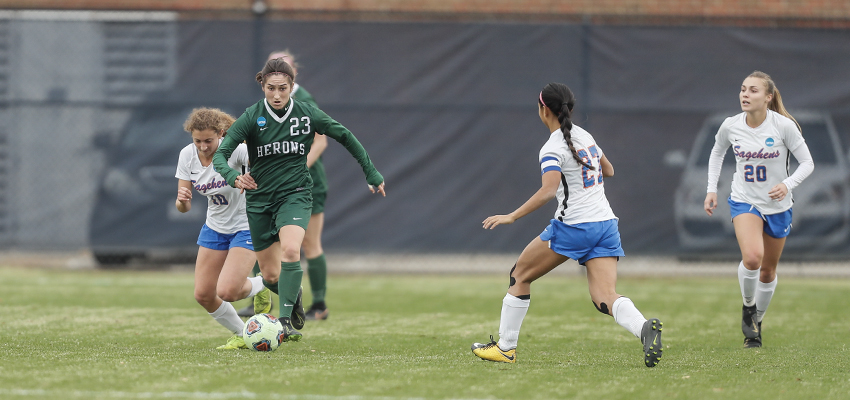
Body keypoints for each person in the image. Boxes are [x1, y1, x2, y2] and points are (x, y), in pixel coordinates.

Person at [470, 82, 663, 367]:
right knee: (604, 298)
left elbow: (548, 190)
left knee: (519, 275)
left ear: (543, 109)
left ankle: (506, 348)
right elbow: (608, 170)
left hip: (574, 227)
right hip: (606, 224)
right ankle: (644, 327)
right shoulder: (584, 136)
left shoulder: (552, 147)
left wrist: (511, 215)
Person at [213, 58, 385, 342]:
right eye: (271, 88)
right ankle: (295, 295)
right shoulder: (251, 116)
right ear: (262, 87)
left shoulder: (307, 113)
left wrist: (371, 171)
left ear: (293, 86)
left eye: (283, 88)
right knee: (269, 275)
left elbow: (344, 135)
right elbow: (221, 154)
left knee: (292, 252)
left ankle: (283, 321)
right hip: (259, 201)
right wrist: (233, 177)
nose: (277, 95)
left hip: (295, 195)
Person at [704, 71, 814, 348]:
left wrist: (787, 185)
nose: (745, 95)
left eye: (753, 90)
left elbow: (808, 163)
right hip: (744, 199)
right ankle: (748, 307)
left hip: (778, 205)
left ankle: (756, 323)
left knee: (767, 271)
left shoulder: (783, 126)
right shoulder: (731, 125)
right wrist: (711, 189)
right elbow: (717, 152)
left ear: (768, 97)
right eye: (743, 89)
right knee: (753, 258)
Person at [237, 49, 331, 321]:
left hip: (303, 184)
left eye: (285, 71)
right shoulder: (267, 102)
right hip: (272, 188)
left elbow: (321, 141)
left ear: (294, 75)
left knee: (307, 245)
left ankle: (319, 304)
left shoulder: (302, 100)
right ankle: (263, 303)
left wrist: (293, 171)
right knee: (267, 245)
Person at [175, 108, 271, 350]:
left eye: (209, 140)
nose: (203, 146)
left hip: (246, 226)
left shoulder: (237, 149)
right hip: (215, 228)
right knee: (204, 295)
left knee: (228, 291)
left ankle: (268, 283)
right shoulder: (187, 155)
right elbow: (183, 207)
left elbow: (262, 173)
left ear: (221, 134)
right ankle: (242, 333)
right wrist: (183, 200)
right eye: (198, 141)